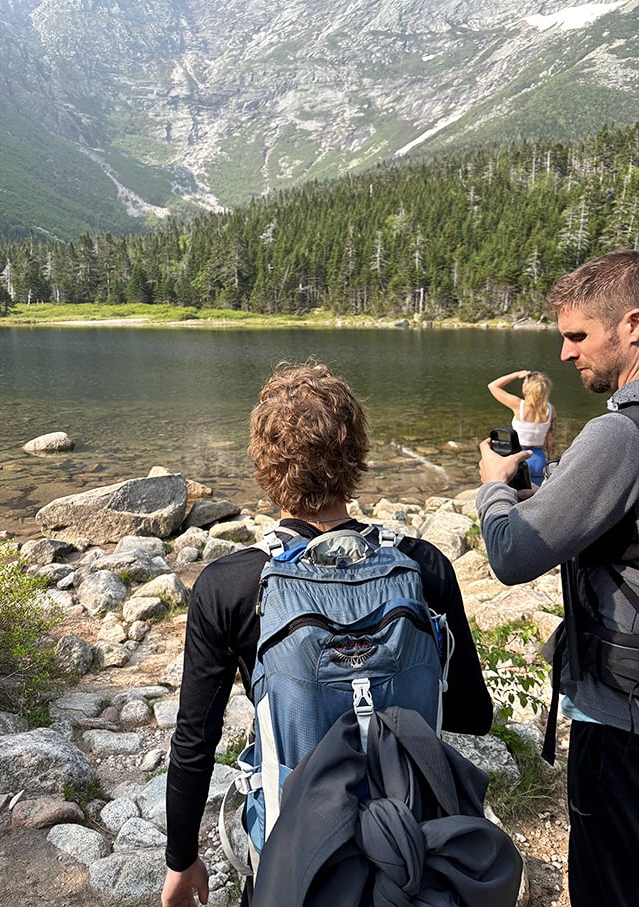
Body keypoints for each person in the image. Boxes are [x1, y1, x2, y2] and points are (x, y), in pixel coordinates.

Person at [162, 360, 493, 907]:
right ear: (356, 456)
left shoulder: (231, 584)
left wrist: (181, 859)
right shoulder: (423, 566)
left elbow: (196, 741)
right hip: (410, 845)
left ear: (263, 465)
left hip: (298, 853)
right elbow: (471, 716)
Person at [476, 249, 639, 907]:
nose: (568, 354)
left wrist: (493, 489)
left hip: (622, 721)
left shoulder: (620, 436)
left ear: (633, 325)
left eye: (578, 335)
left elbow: (513, 554)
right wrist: (544, 474)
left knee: (609, 885)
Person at [487, 369, 556, 485]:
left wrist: (515, 375)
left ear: (526, 389)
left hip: (519, 456)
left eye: (524, 383)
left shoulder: (519, 405)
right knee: (535, 495)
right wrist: (550, 460)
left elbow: (493, 386)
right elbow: (550, 440)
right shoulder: (550, 410)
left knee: (515, 494)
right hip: (539, 458)